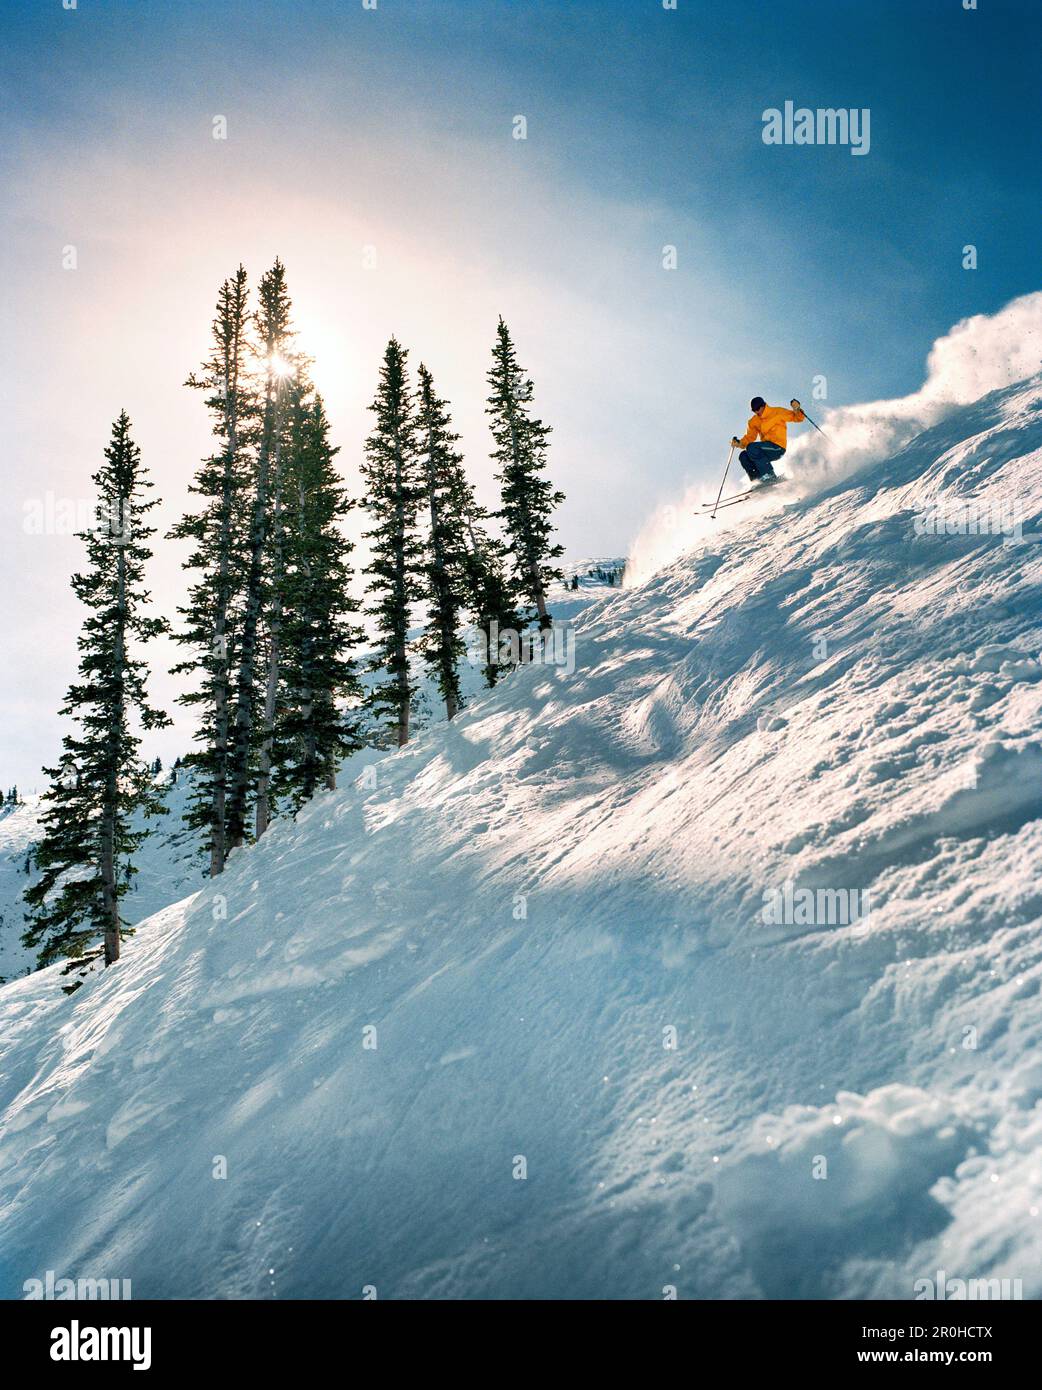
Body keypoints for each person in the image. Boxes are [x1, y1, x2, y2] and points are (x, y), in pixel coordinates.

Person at [731, 397, 806, 481]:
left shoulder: (777, 412)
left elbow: (797, 418)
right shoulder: (754, 421)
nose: (756, 412)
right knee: (743, 456)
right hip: (764, 450)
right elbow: (749, 437)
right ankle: (757, 480)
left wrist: (797, 408)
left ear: (763, 406)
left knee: (751, 448)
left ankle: (769, 476)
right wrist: (739, 443)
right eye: (754, 410)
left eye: (757, 409)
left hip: (777, 447)